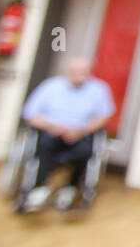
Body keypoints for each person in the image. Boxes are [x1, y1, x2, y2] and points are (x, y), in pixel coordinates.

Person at [17, 57, 115, 214]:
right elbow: (30, 113)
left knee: (85, 151)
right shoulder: (50, 86)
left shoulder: (99, 89)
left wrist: (81, 131)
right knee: (44, 145)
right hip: (51, 131)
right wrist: (52, 126)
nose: (78, 75)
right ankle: (39, 188)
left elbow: (103, 117)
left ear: (89, 73)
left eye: (83, 72)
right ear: (67, 72)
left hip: (81, 134)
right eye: (75, 71)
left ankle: (70, 188)